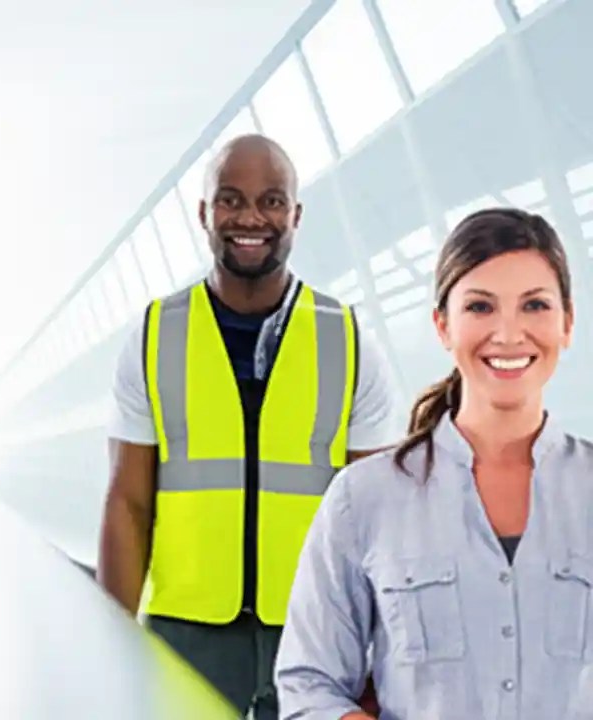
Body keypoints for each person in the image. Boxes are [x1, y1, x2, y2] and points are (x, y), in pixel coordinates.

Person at [97, 134, 403, 719]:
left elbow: (378, 521)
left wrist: (379, 653)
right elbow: (127, 503)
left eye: (271, 201)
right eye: (232, 200)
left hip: (316, 636)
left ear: (295, 215)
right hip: (183, 638)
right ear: (205, 213)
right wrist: (112, 649)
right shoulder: (155, 334)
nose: (250, 218)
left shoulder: (350, 339)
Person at [276, 208, 592, 719]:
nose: (509, 334)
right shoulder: (364, 499)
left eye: (534, 304)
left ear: (567, 323)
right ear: (443, 326)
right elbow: (309, 686)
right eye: (481, 307)